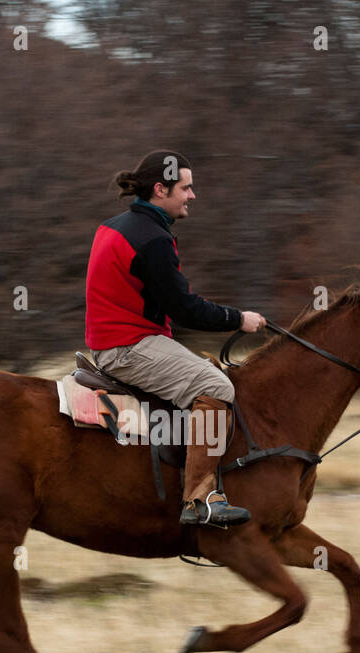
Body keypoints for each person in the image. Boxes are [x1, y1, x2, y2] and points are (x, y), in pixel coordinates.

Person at [85, 150, 267, 527]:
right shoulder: (152, 239)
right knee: (217, 387)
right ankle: (201, 501)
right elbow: (185, 308)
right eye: (186, 188)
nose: (192, 195)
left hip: (119, 340)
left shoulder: (116, 225)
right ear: (160, 190)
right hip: (128, 347)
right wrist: (239, 319)